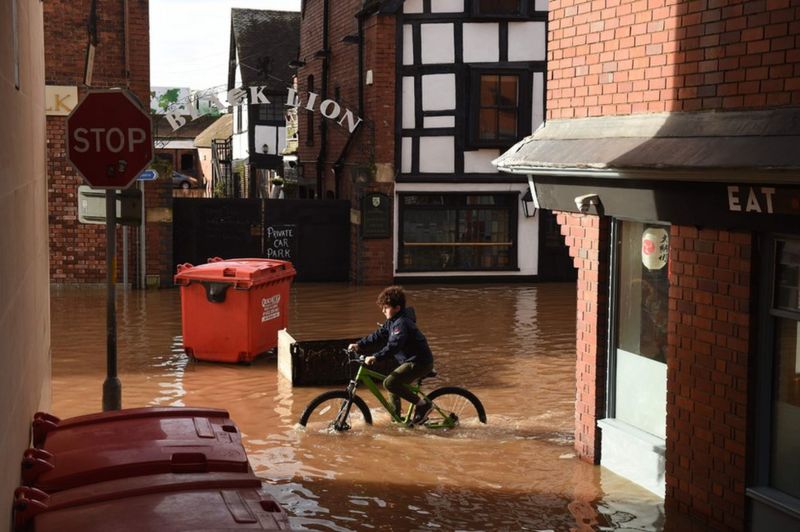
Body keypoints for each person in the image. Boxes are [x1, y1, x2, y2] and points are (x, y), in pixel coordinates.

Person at [347, 285, 435, 425]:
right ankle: (397, 421)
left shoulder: (402, 323)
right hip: (410, 361)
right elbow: (378, 335)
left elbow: (395, 345)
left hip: (419, 362)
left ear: (397, 308)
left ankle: (423, 405)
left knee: (389, 383)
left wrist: (376, 357)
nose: (383, 310)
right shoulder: (392, 321)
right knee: (392, 384)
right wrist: (359, 345)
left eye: (386, 307)